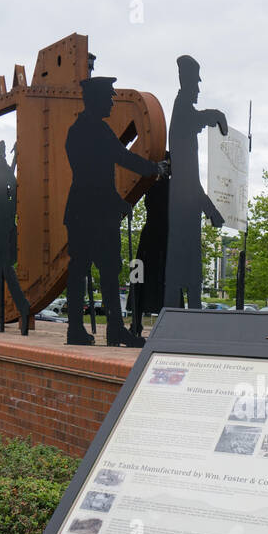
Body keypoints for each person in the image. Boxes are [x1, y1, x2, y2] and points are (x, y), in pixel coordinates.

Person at [62, 75, 167, 346]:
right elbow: (116, 162)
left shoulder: (81, 130)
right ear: (95, 99)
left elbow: (98, 173)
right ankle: (112, 330)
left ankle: (84, 330)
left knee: (84, 271)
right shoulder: (95, 131)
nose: (111, 102)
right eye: (108, 97)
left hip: (81, 212)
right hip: (94, 215)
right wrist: (155, 169)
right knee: (104, 272)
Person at [164, 55, 227, 309]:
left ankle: (187, 315)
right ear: (185, 81)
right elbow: (188, 178)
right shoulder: (182, 111)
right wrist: (217, 114)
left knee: (188, 267)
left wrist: (210, 210)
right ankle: (178, 318)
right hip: (182, 204)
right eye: (196, 83)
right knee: (183, 264)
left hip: (185, 204)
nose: (199, 89)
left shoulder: (184, 113)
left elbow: (191, 178)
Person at [0, 138, 30, 334]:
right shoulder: (2, 169)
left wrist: (1, 213)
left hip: (4, 228)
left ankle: (0, 318)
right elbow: (9, 191)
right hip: (4, 225)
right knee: (3, 269)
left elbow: (10, 190)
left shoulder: (0, 169)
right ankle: (21, 307)